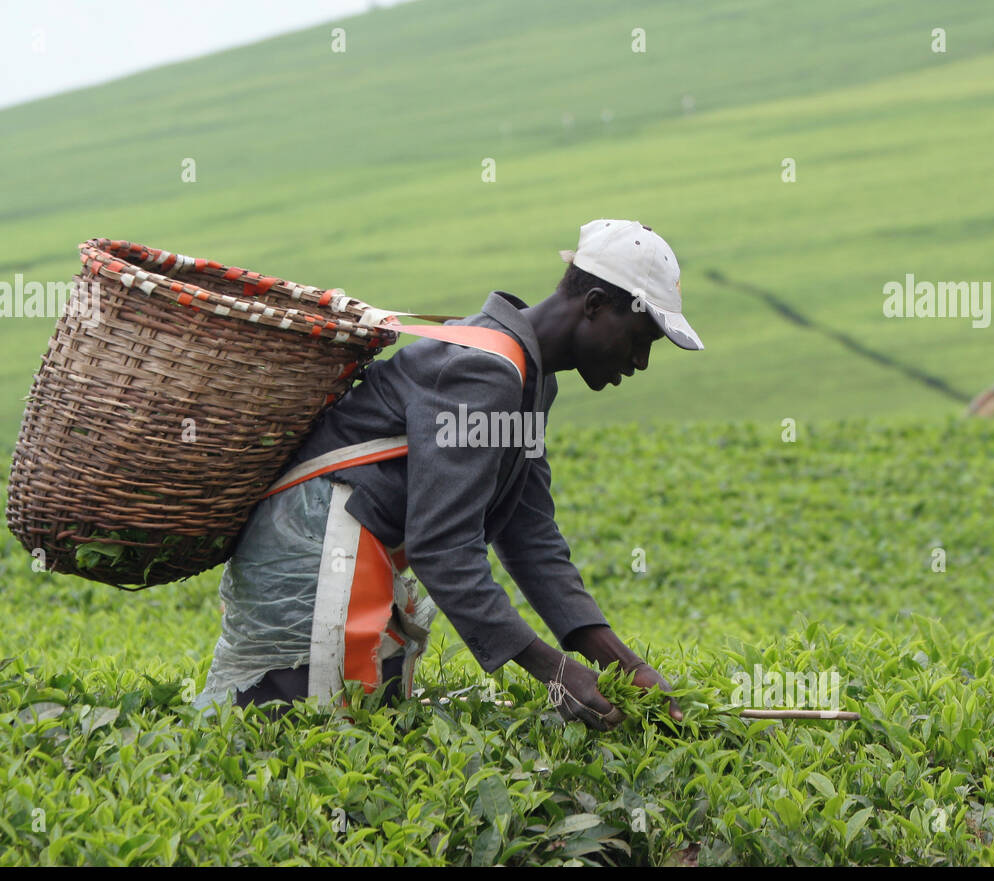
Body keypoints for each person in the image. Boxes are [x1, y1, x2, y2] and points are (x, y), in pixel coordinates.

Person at [194, 219, 701, 729]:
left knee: (354, 734)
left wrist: (624, 664)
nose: (640, 361)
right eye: (640, 339)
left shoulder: (528, 379)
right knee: (302, 739)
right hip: (315, 556)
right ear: (593, 305)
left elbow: (529, 534)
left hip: (348, 555)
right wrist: (553, 671)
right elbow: (442, 545)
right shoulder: (485, 372)